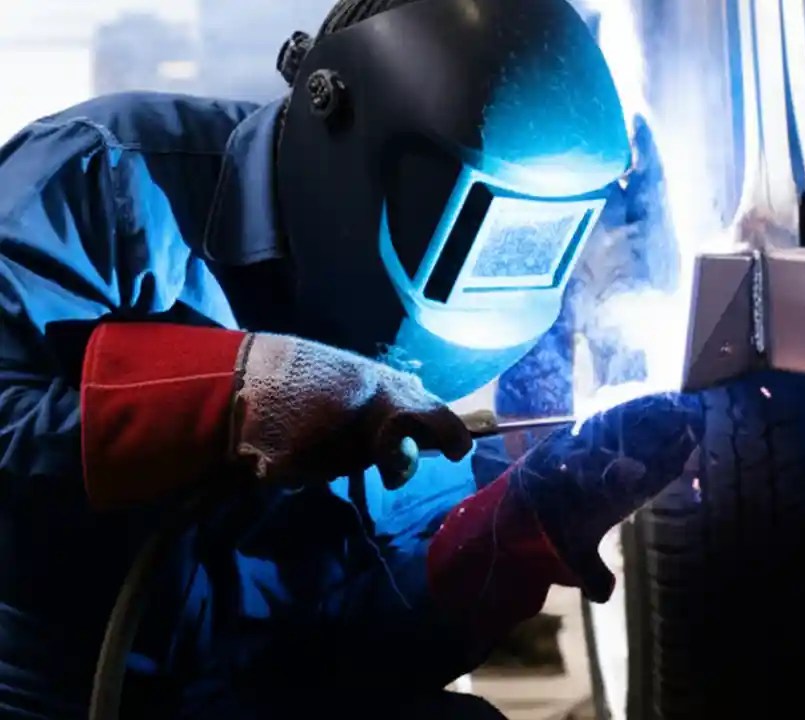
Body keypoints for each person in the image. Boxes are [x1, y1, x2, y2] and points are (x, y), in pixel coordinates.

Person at [0, 0, 702, 716]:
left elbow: (355, 655)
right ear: (339, 120)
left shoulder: (424, 376)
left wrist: (510, 535)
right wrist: (231, 401)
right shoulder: (105, 185)